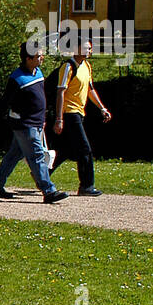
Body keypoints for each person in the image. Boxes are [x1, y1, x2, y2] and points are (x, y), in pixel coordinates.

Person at [0, 41, 69, 204]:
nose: (42, 58)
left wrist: (43, 120)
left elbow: (39, 99)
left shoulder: (38, 72)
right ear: (28, 59)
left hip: (36, 123)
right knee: (37, 156)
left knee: (14, 154)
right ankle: (49, 190)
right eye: (38, 56)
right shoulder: (17, 78)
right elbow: (4, 102)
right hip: (24, 124)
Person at [50, 38, 112, 196]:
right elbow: (60, 92)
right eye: (86, 48)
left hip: (79, 112)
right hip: (69, 113)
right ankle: (86, 186)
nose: (89, 51)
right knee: (85, 149)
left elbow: (90, 89)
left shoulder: (87, 66)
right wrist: (59, 118)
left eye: (90, 48)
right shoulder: (68, 67)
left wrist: (102, 108)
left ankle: (42, 173)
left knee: (65, 149)